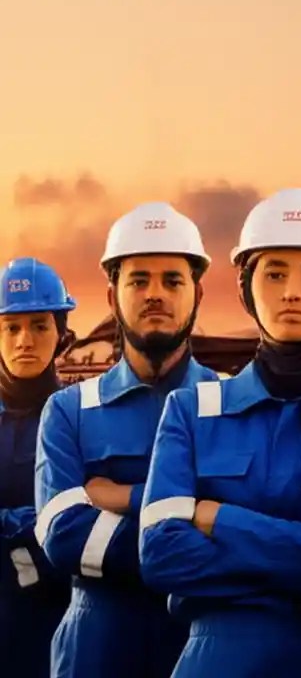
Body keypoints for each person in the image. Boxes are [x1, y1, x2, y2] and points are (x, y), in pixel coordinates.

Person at [138, 188, 301, 677]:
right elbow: (160, 554)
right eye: (274, 273)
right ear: (245, 287)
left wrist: (221, 521)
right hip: (218, 659)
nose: (292, 291)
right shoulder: (190, 411)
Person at [35, 202, 218, 678]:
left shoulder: (232, 403)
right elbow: (62, 535)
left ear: (197, 293)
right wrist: (194, 524)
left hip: (206, 649)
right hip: (96, 652)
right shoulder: (68, 411)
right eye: (139, 280)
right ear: (112, 294)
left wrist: (123, 498)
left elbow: (256, 516)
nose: (154, 294)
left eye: (171, 281)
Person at [0, 258, 75, 676]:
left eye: (39, 326)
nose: (24, 340)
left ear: (61, 334)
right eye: (11, 327)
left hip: (61, 618)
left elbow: (80, 521)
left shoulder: (81, 420)